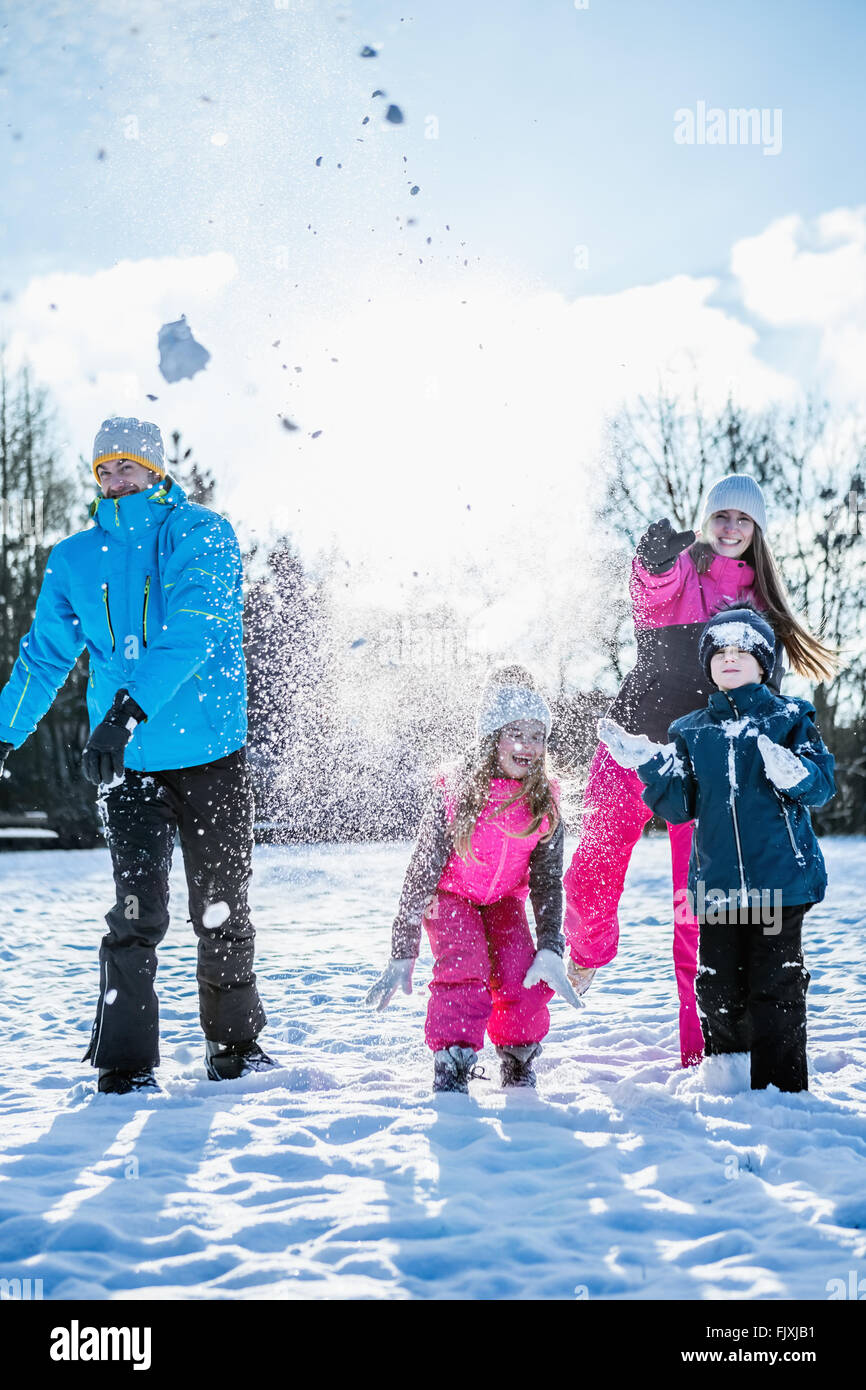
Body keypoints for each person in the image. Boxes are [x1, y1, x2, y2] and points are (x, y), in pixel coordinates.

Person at [0, 416, 276, 1093]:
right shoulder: (73, 558)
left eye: (128, 466)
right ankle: (125, 1065)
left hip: (209, 753)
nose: (117, 479)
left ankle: (234, 1048)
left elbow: (194, 631)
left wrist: (124, 711)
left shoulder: (201, 534)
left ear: (155, 471)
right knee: (135, 914)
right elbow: (43, 657)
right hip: (126, 767)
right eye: (105, 469)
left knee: (220, 906)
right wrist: (5, 732)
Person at [563, 474, 837, 1067]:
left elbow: (764, 700)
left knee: (700, 912)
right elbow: (650, 592)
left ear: (757, 529)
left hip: (708, 764)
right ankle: (586, 951)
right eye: (722, 517)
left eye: (743, 519)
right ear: (706, 520)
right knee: (589, 873)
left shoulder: (763, 608)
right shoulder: (681, 570)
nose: (731, 527)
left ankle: (706, 1056)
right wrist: (651, 562)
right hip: (635, 743)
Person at [599, 605, 835, 1092]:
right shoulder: (690, 731)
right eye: (720, 652)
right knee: (717, 984)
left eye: (742, 652)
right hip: (719, 886)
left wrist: (800, 775)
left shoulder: (789, 719)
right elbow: (679, 806)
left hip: (777, 885)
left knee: (775, 983)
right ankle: (727, 1077)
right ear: (707, 663)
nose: (730, 659)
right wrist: (649, 766)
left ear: (763, 664)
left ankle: (781, 1088)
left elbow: (822, 786)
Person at [365, 666, 582, 1093]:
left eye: (538, 735)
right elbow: (419, 874)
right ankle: (453, 1061)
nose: (529, 744)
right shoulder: (456, 794)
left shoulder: (544, 803)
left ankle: (518, 1059)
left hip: (502, 899)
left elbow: (546, 882)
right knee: (466, 965)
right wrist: (402, 949)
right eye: (517, 733)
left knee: (522, 969)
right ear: (492, 738)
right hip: (448, 897)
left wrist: (552, 947)